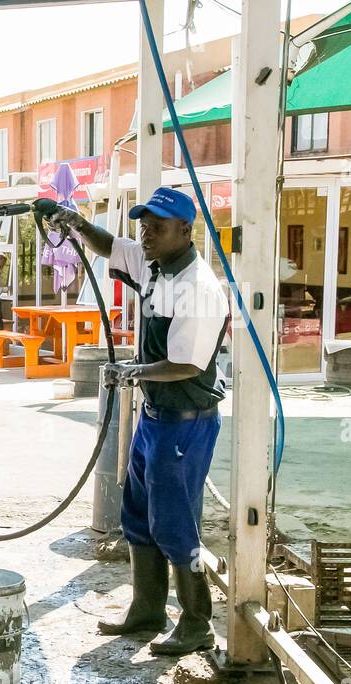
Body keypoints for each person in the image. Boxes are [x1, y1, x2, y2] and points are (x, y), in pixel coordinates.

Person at [49, 187, 229, 656]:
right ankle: (147, 611)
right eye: (144, 224)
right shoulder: (154, 262)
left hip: (186, 422)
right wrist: (76, 221)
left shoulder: (199, 288)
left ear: (185, 231)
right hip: (156, 416)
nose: (145, 234)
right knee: (137, 516)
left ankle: (196, 622)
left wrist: (129, 372)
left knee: (174, 524)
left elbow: (187, 363)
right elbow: (112, 247)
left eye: (157, 226)